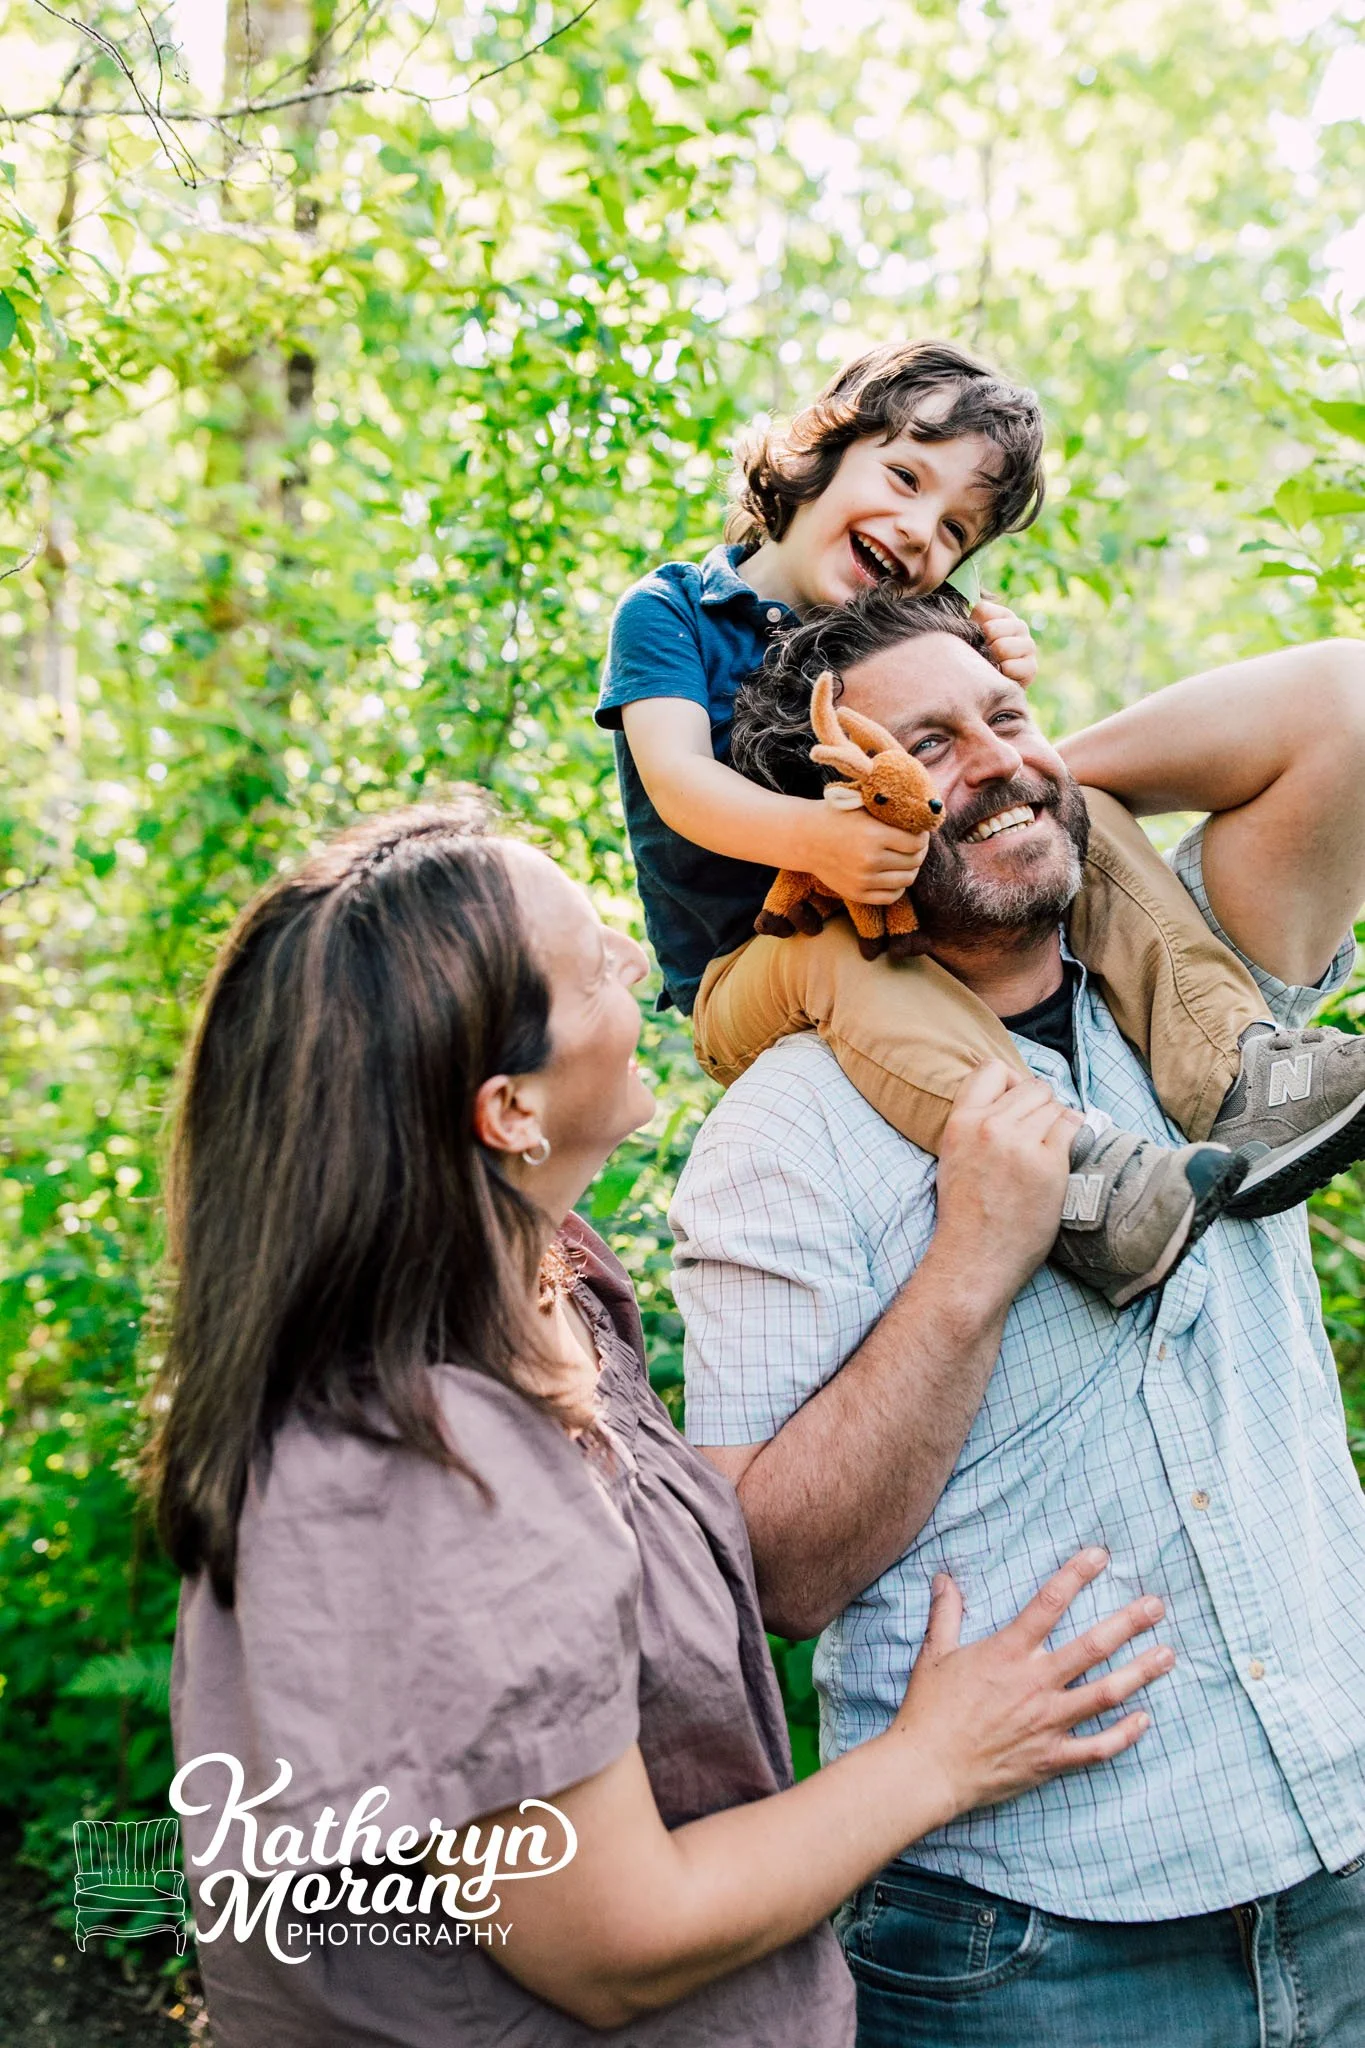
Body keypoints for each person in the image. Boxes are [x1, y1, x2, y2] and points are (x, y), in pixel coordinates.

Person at [155, 801, 1171, 2048]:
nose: (637, 965)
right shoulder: (409, 1474)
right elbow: (616, 1944)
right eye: (594, 967)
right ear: (509, 1110)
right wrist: (940, 1754)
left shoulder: (552, 1282)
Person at [671, 600, 1365, 2044]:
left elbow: (1347, 701)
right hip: (1033, 1942)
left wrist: (1019, 778)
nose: (988, 755)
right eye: (921, 743)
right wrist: (968, 1267)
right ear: (824, 829)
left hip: (1344, 1853)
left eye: (1003, 712)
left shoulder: (1204, 988)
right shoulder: (782, 1131)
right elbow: (766, 1573)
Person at [598, 339, 1365, 1303]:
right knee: (829, 958)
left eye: (956, 530)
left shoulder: (914, 621)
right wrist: (821, 843)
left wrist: (999, 681)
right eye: (904, 476)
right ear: (817, 451)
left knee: (1062, 802)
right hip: (754, 960)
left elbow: (979, 767)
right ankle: (1080, 1184)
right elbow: (680, 786)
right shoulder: (672, 610)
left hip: (911, 898)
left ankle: (1238, 1075)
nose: (920, 530)